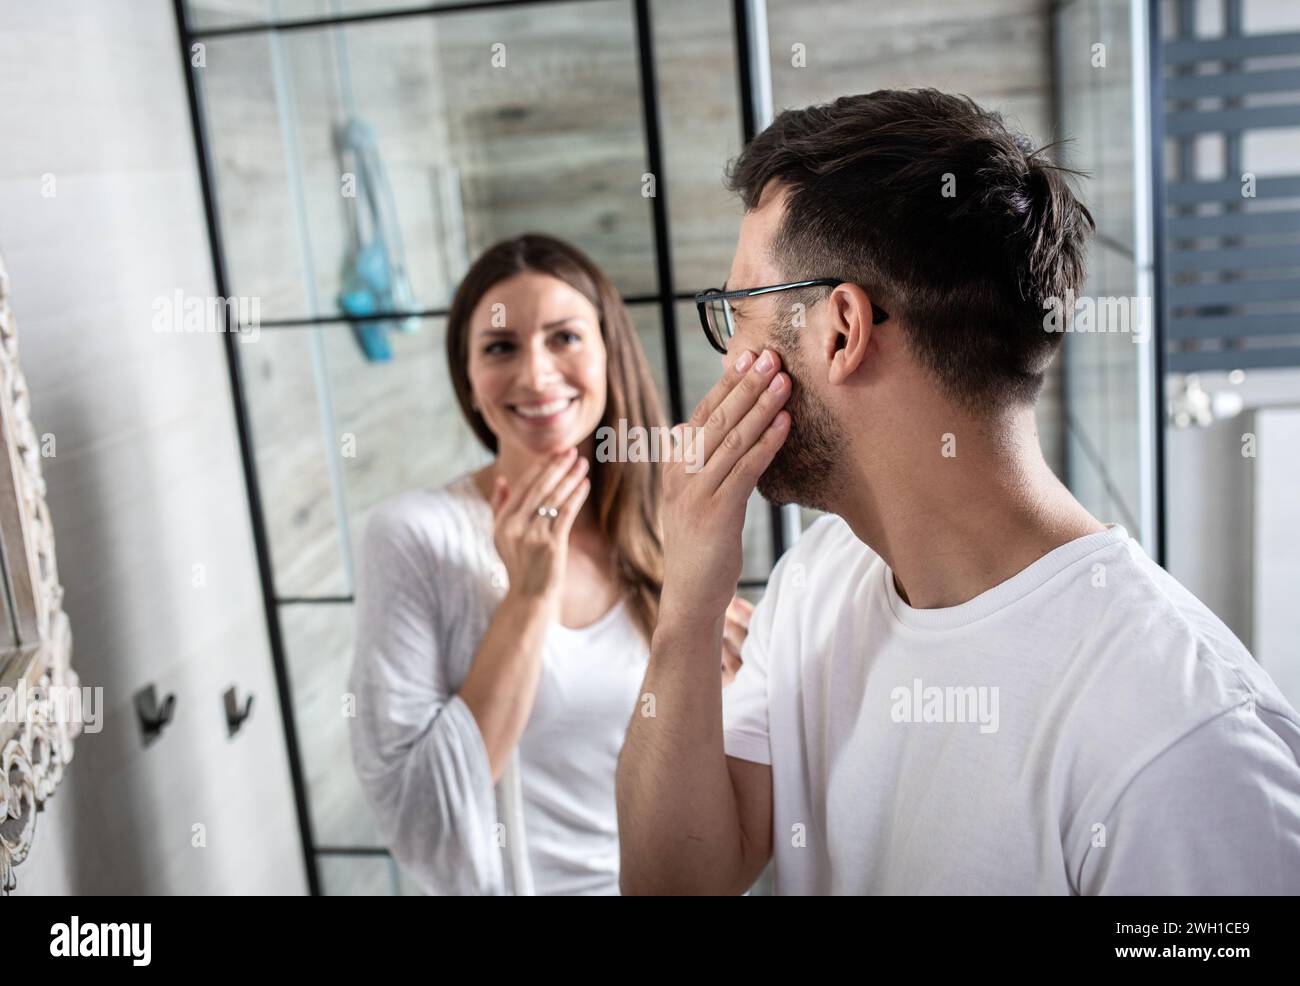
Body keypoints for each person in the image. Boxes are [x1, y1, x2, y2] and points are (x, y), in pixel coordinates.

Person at [616, 89, 1300, 894]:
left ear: (841, 330)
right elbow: (675, 884)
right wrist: (687, 611)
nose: (730, 360)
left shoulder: (1184, 744)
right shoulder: (816, 581)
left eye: (742, 312)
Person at [348, 233, 753, 894]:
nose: (535, 375)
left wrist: (733, 691)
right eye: (500, 347)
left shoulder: (659, 530)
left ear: (607, 353)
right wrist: (529, 597)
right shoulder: (413, 537)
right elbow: (419, 817)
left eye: (564, 337)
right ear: (470, 382)